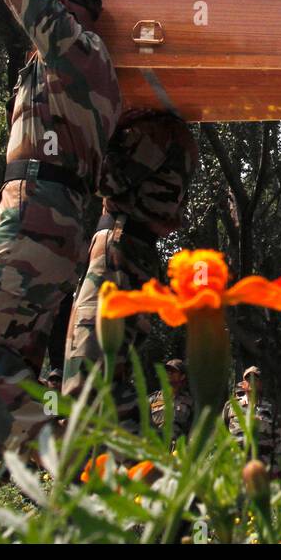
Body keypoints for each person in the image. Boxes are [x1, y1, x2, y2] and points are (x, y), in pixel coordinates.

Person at [0, 0, 122, 484]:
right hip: (52, 213)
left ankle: (70, 459)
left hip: (34, 208)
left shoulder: (72, 46)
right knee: (8, 364)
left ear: (65, 8)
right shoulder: (87, 64)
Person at [62, 110, 198, 422]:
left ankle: (129, 451)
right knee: (110, 368)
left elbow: (104, 179)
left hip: (120, 248)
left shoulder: (155, 131)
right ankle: (131, 453)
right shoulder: (176, 135)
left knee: (87, 370)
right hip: (135, 250)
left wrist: (101, 136)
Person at [224, 366, 281, 473]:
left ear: (261, 384)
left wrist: (275, 469)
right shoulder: (231, 406)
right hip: (237, 465)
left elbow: (278, 440)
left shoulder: (271, 407)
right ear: (243, 383)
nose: (252, 382)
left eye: (256, 379)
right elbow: (222, 433)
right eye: (248, 379)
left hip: (263, 465)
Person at [148, 359, 194, 441]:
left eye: (173, 371)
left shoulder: (189, 402)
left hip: (177, 449)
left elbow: (194, 429)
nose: (169, 373)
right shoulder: (152, 399)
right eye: (167, 370)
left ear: (182, 376)